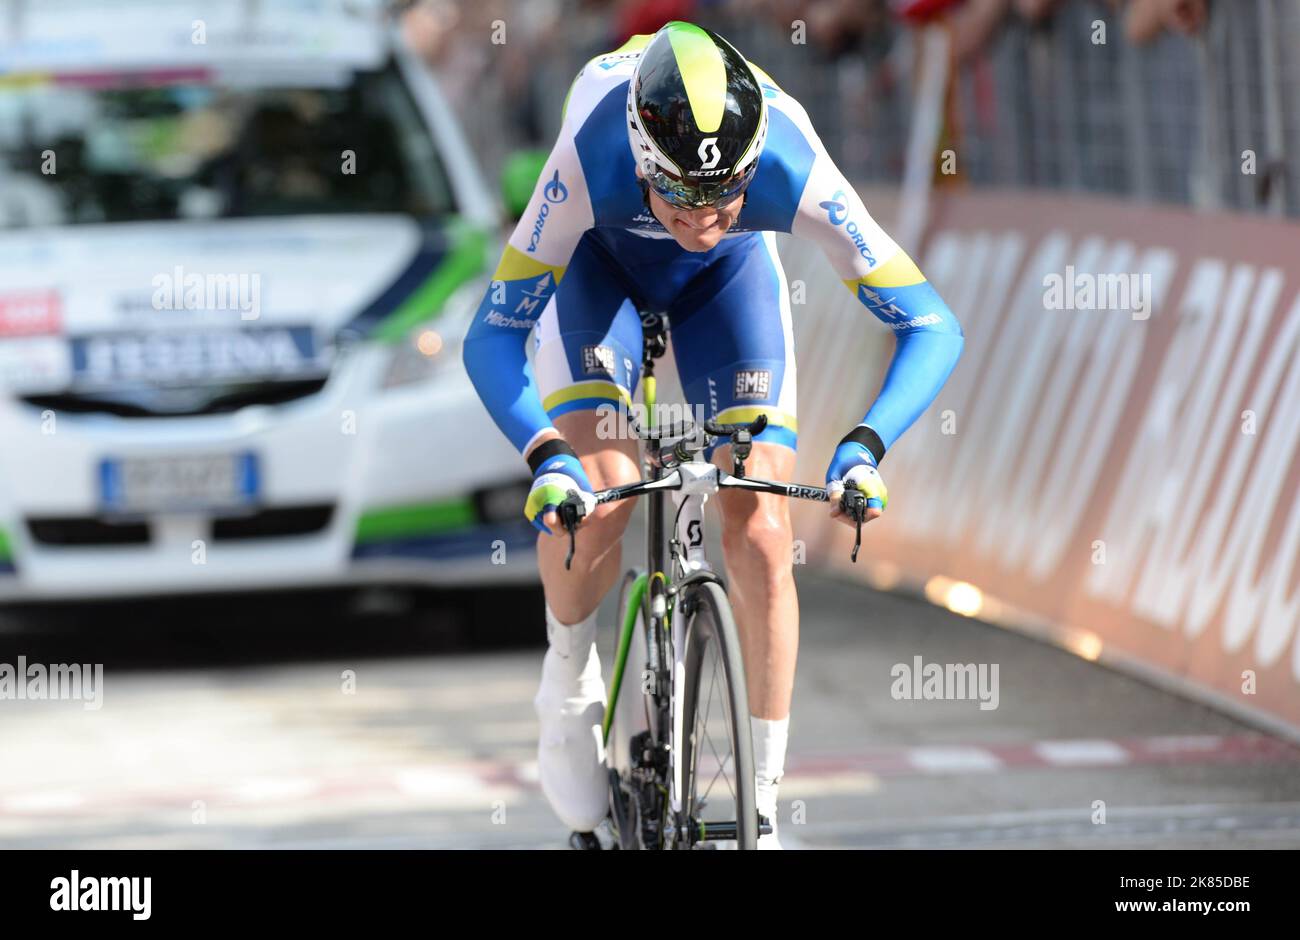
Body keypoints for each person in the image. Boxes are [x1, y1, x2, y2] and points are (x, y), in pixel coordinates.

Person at [462, 21, 963, 848]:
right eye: (683, 196)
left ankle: (760, 807)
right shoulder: (594, 153)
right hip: (598, 275)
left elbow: (932, 324)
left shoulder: (790, 156)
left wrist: (865, 447)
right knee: (603, 494)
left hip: (726, 290)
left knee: (762, 528)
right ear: (643, 162)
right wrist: (547, 457)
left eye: (728, 194)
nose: (706, 215)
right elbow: (492, 336)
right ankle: (569, 676)